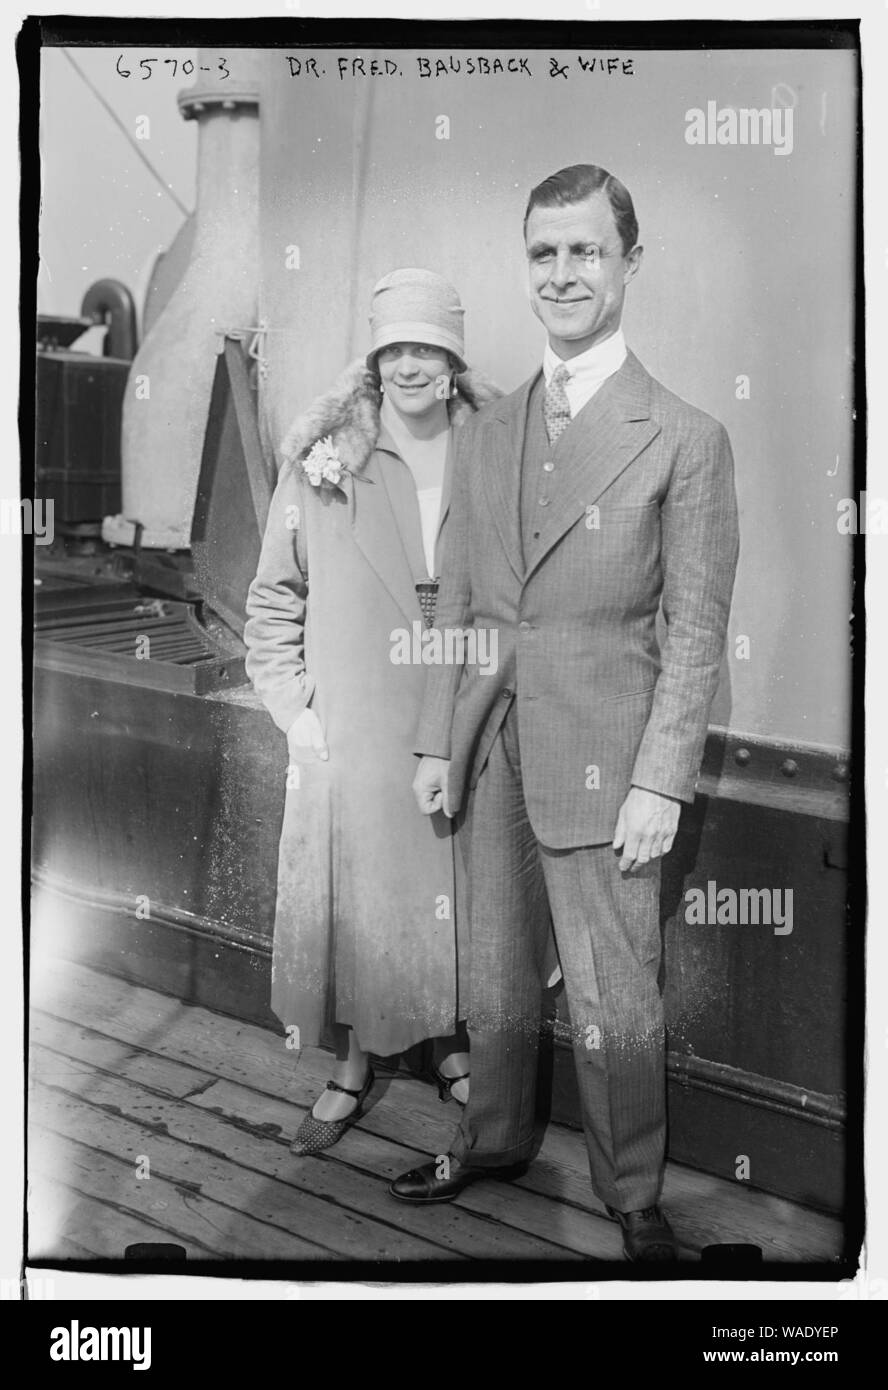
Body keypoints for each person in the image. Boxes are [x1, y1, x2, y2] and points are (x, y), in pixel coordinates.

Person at [389, 165, 740, 1262]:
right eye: (543, 252)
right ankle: (492, 1136)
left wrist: (658, 780)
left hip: (608, 765)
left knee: (613, 993)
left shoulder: (684, 438)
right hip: (496, 753)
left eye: (585, 250)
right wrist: (439, 743)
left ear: (631, 260)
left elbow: (695, 630)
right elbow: (463, 599)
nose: (562, 272)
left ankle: (633, 1197)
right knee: (492, 971)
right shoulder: (489, 427)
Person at [244, 269, 499, 1155]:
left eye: (429, 346)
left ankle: (453, 1046)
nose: (411, 365)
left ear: (456, 358)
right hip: (352, 726)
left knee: (455, 893)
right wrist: (294, 708)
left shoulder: (494, 450)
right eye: (396, 347)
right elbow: (273, 600)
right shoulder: (326, 460)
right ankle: (354, 1065)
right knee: (360, 900)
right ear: (375, 356)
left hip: (458, 711)